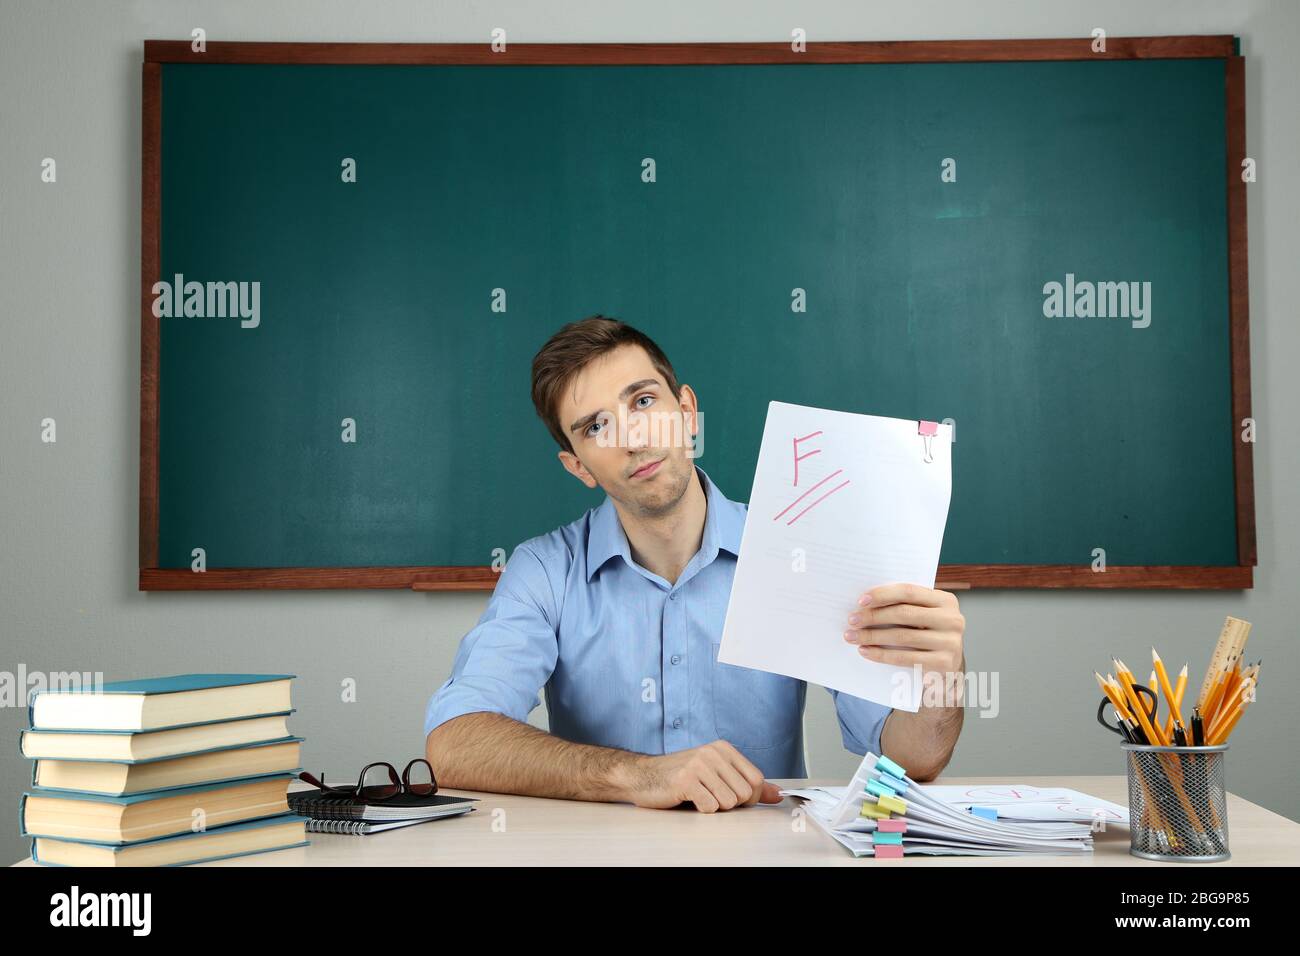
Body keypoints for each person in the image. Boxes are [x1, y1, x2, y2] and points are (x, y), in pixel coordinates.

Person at [424, 316, 965, 812]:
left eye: (642, 402)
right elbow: (455, 743)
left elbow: (914, 758)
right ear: (578, 466)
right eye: (595, 427)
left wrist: (941, 676)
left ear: (686, 412)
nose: (634, 438)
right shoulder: (544, 570)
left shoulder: (795, 548)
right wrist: (638, 776)